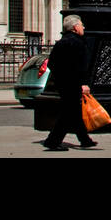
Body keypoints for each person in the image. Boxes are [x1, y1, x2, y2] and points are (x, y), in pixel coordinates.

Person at [42, 15, 96, 151]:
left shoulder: (61, 42)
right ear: (75, 27)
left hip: (62, 83)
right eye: (81, 25)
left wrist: (61, 76)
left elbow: (52, 62)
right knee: (68, 113)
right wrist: (83, 83)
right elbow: (81, 66)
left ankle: (85, 139)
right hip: (75, 83)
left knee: (75, 111)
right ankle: (53, 141)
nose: (83, 27)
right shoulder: (79, 43)